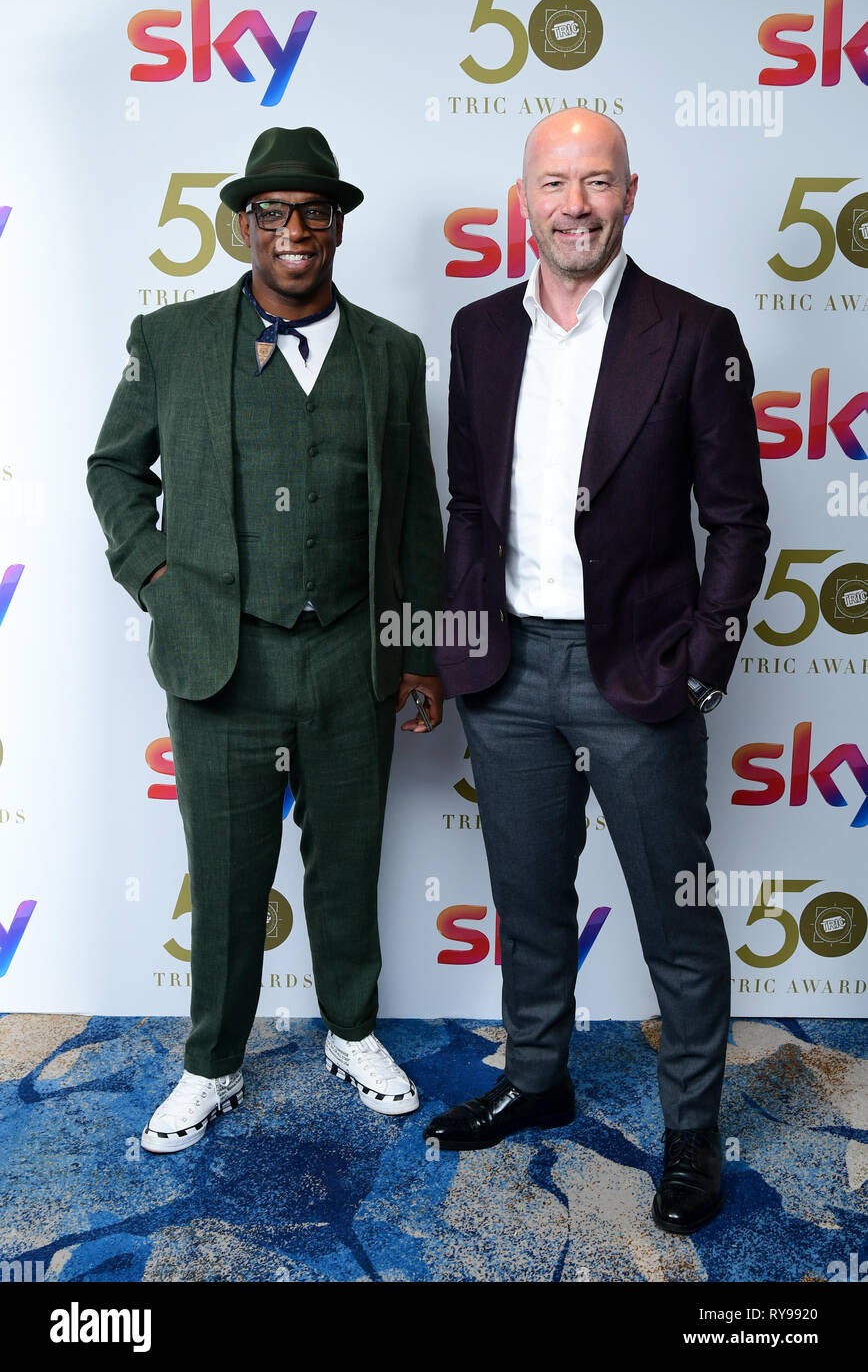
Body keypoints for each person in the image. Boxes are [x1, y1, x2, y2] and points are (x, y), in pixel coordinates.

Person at [426, 109, 770, 1235]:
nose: (575, 203)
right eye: (555, 182)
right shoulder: (478, 331)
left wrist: (702, 661)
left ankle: (688, 1138)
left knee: (677, 918)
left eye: (598, 182)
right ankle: (539, 1077)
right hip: (507, 669)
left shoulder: (694, 331)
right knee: (529, 897)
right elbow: (468, 503)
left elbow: (735, 518)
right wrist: (458, 635)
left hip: (639, 672)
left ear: (631, 193)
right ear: (522, 196)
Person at [88, 126, 444, 1153]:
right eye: (273, 214)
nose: (294, 231)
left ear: (338, 226)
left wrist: (417, 649)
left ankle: (353, 1030)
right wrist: (153, 573)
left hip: (348, 652)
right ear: (244, 227)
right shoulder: (171, 341)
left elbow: (417, 510)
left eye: (314, 212)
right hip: (221, 654)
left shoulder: (391, 352)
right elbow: (114, 469)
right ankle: (212, 1061)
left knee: (348, 859)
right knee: (231, 868)